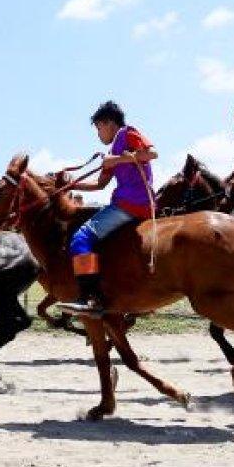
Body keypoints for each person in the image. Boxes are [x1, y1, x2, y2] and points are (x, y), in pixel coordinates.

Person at [59, 101, 158, 317]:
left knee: (81, 238)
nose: (98, 133)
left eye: (98, 127)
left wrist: (117, 159)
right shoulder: (112, 151)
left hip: (131, 204)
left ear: (108, 123)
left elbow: (152, 154)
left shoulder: (127, 132)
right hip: (131, 204)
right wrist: (71, 184)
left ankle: (90, 298)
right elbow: (99, 184)